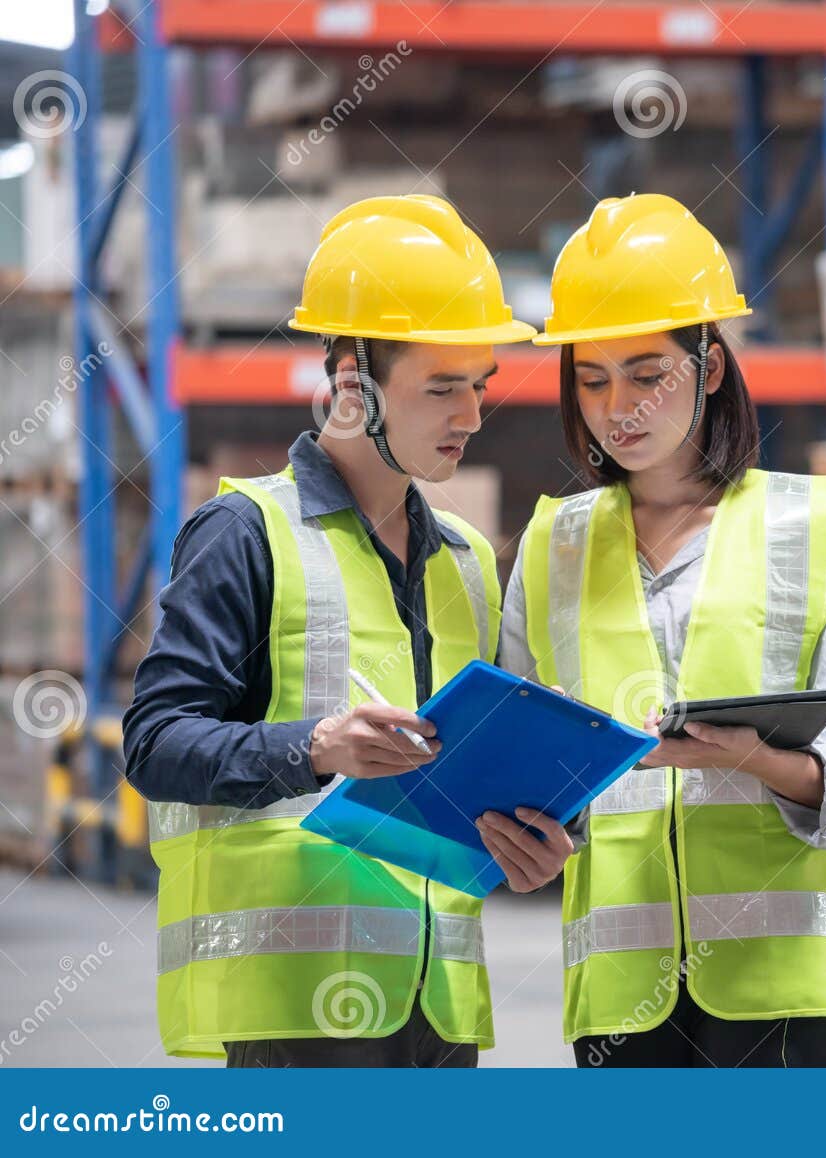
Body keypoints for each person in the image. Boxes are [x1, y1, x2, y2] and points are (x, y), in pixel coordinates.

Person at [123, 194, 573, 1067]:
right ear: (352, 386)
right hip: (292, 1007)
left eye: (478, 385)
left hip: (435, 1010)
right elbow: (154, 743)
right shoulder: (246, 534)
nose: (472, 416)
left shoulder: (468, 559)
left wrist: (543, 838)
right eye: (442, 388)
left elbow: (487, 764)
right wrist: (317, 746)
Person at [494, 193, 826, 1067]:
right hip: (622, 995)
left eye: (648, 374)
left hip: (786, 986)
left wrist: (751, 757)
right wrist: (526, 838)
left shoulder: (806, 527)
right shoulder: (552, 545)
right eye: (592, 379)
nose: (617, 408)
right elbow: (523, 759)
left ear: (708, 368)